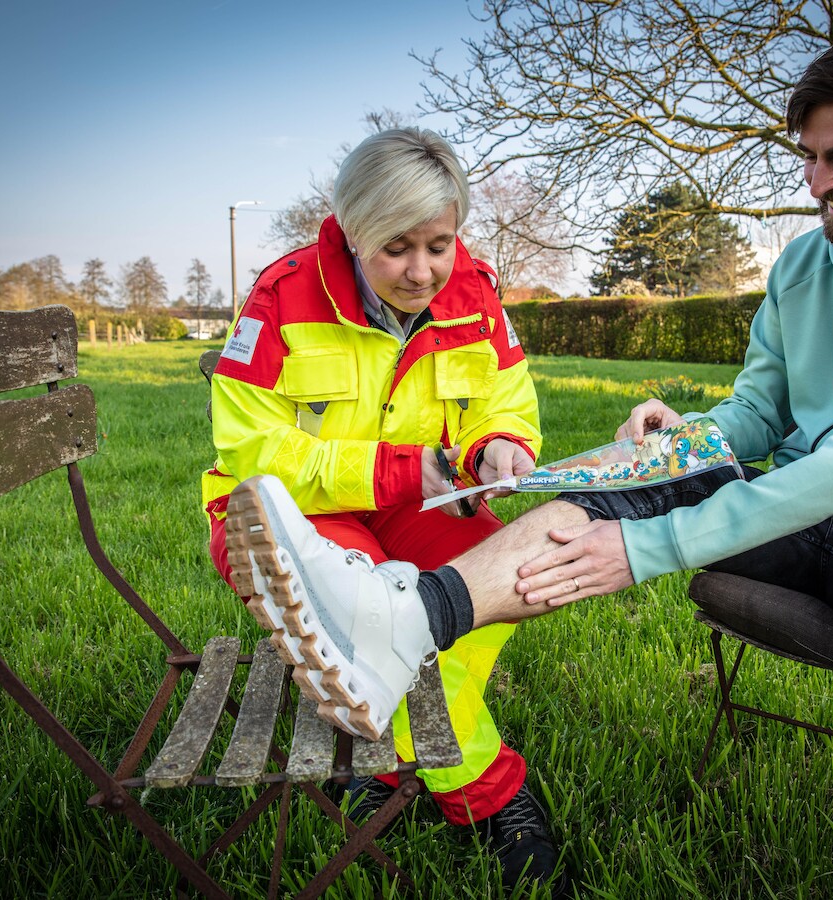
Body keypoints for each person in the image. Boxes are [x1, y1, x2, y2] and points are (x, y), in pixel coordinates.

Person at [225, 28, 833, 900]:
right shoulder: (805, 264)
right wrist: (686, 433)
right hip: (787, 513)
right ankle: (412, 619)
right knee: (616, 474)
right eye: (807, 155)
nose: (816, 184)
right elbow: (760, 412)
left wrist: (650, 548)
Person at [200, 127, 561, 890]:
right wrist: (400, 469)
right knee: (370, 608)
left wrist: (496, 445)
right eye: (398, 246)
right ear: (352, 227)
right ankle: (485, 793)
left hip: (415, 497)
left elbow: (505, 402)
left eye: (440, 243)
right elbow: (249, 451)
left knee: (505, 579)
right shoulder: (280, 293)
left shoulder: (475, 292)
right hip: (286, 517)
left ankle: (387, 762)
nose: (424, 270)